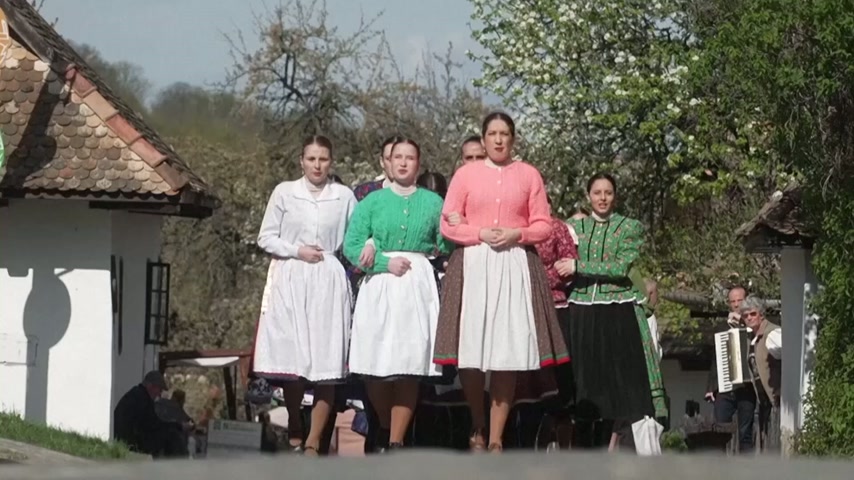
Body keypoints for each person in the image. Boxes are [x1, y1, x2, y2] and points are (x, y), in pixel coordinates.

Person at [435, 112, 569, 453]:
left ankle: (496, 437)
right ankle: (477, 423)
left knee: (506, 352)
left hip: (513, 263)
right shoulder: (466, 175)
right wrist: (478, 232)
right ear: (483, 139)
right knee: (471, 352)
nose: (498, 140)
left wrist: (516, 233)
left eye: (504, 134)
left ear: (513, 139)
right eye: (492, 134)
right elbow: (448, 224)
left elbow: (544, 224)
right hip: (474, 264)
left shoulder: (529, 175)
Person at [344, 138, 453, 452]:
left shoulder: (433, 202)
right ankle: (383, 424)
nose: (404, 163)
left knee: (409, 366)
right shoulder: (372, 202)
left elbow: (444, 244)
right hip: (380, 283)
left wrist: (453, 227)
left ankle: (396, 440)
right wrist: (381, 261)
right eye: (398, 157)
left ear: (419, 164)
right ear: (388, 163)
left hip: (417, 284)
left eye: (410, 158)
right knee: (376, 366)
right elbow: (351, 245)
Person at [251, 134, 357, 456]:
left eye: (323, 159)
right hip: (292, 276)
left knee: (327, 359)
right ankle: (295, 417)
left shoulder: (344, 196)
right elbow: (266, 237)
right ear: (301, 160)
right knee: (294, 356)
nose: (317, 165)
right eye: (312, 159)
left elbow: (354, 237)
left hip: (328, 276)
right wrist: (296, 250)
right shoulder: (285, 192)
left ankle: (314, 438)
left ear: (331, 162)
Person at [563, 172, 666, 452]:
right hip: (582, 311)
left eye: (608, 192)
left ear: (615, 196)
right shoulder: (575, 228)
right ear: (588, 196)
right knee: (583, 391)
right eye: (597, 193)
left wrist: (578, 266)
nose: (603, 198)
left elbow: (621, 267)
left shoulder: (629, 227)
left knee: (629, 389)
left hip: (619, 311)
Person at [705, 286, 757, 452]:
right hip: (726, 386)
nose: (736, 305)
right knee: (719, 430)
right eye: (732, 301)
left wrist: (743, 324)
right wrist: (711, 387)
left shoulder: (753, 325)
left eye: (739, 301)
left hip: (747, 386)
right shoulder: (722, 327)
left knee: (745, 433)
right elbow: (716, 359)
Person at [740, 296, 781, 452]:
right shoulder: (754, 337)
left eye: (753, 314)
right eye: (745, 316)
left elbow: (789, 361)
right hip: (764, 401)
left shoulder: (773, 334)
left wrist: (782, 390)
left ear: (761, 314)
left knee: (774, 444)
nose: (749, 318)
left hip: (776, 399)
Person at [114, 371, 172, 457]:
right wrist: (176, 426)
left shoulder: (137, 394)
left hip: (124, 441)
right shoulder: (142, 399)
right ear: (151, 386)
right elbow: (152, 423)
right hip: (130, 444)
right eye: (159, 389)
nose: (159, 393)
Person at [353, 136, 403, 201]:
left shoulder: (418, 195)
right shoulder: (364, 193)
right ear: (382, 162)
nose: (394, 164)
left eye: (399, 158)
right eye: (389, 159)